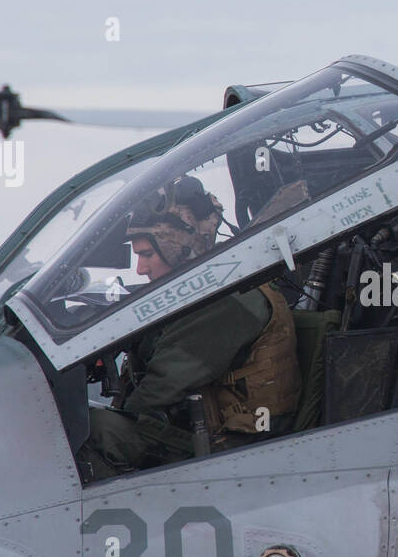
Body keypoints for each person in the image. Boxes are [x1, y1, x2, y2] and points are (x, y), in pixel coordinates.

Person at [77, 176, 300, 481]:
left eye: (146, 255)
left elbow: (156, 392)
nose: (140, 269)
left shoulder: (226, 300)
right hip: (202, 433)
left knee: (89, 430)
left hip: (230, 451)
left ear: (177, 249)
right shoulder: (206, 285)